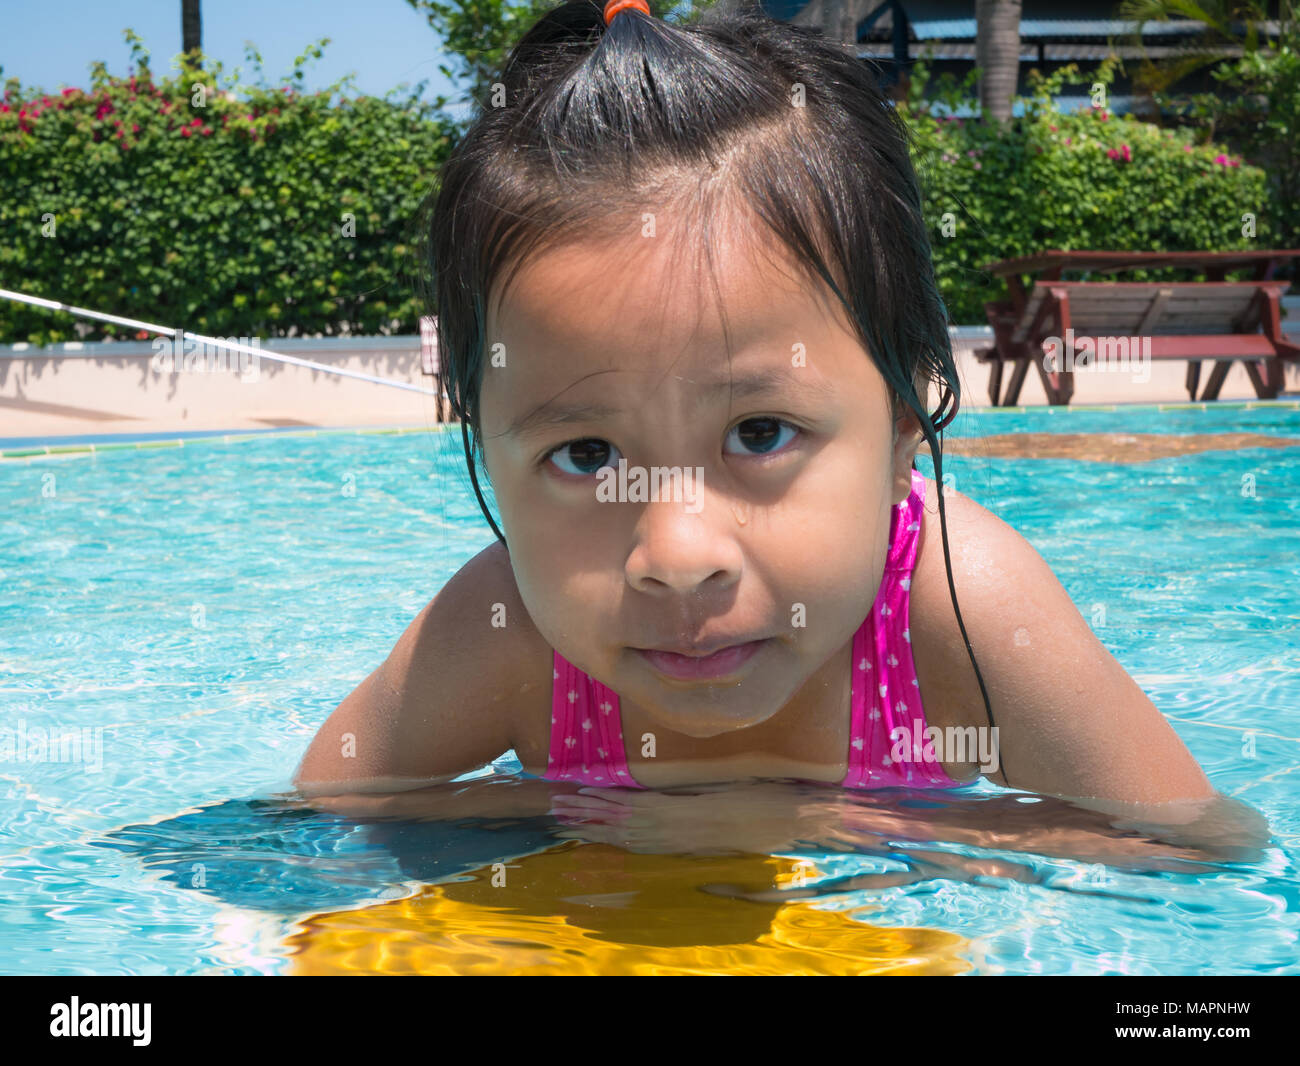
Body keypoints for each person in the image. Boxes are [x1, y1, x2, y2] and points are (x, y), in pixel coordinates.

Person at [294, 0, 1223, 827]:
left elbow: (1189, 846)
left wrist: (815, 830)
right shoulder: (507, 627)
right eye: (585, 453)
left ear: (905, 428)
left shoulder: (960, 608)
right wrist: (557, 810)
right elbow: (322, 820)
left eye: (760, 434)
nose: (679, 556)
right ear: (486, 453)